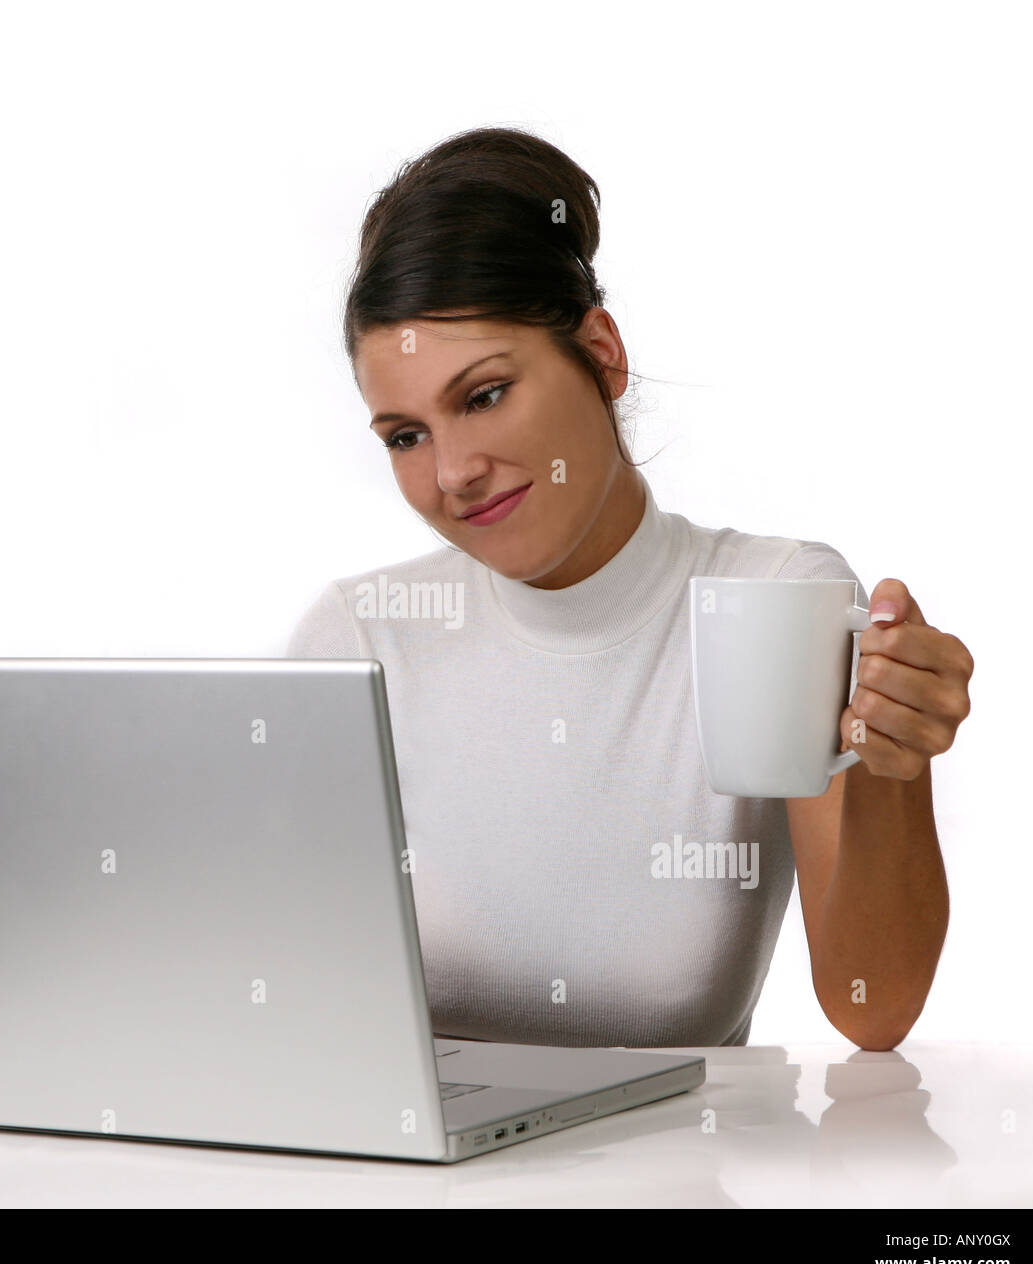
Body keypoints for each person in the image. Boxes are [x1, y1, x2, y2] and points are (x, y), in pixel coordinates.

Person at [287, 126, 973, 1050]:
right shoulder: (362, 639)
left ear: (602, 355)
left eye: (484, 395)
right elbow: (282, 1000)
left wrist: (896, 771)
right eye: (405, 435)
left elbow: (872, 1005)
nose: (453, 472)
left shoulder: (777, 602)